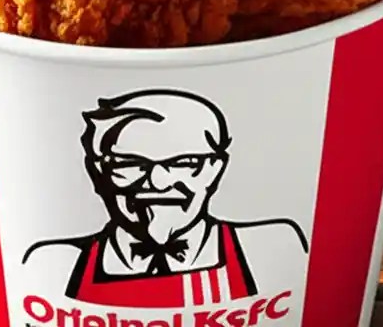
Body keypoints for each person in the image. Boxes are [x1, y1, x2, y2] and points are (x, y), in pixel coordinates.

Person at [23, 89, 307, 308]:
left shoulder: (265, 248)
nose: (159, 182)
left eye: (185, 163)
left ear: (215, 170)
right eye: (130, 164)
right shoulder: (56, 263)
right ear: (97, 172)